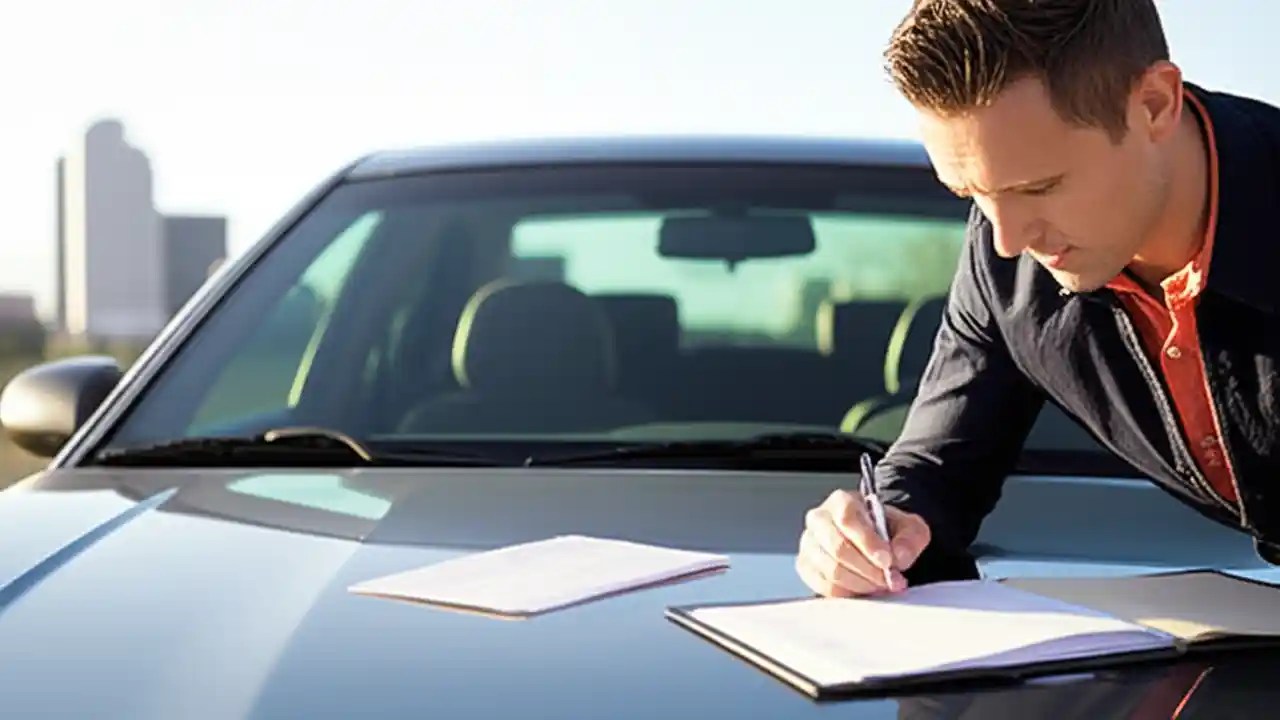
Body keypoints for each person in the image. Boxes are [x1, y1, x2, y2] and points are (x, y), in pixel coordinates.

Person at [797, 0, 1280, 598]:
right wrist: (879, 531)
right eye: (970, 193)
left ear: (1154, 105)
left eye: (1040, 187)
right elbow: (938, 468)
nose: (1007, 240)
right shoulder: (1007, 257)